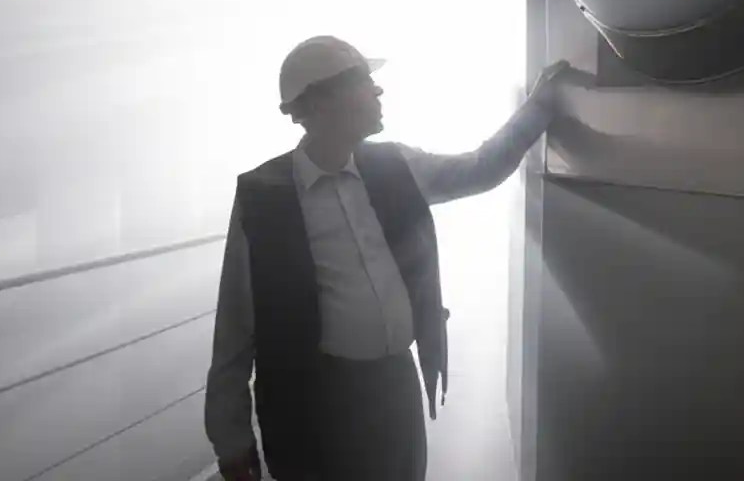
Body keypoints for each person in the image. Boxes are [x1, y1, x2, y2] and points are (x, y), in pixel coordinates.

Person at [205, 35, 570, 481]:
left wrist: (539, 107)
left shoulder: (396, 166)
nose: (378, 92)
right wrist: (231, 440)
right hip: (315, 406)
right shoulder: (264, 196)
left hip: (395, 387)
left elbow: (482, 168)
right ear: (322, 103)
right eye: (363, 82)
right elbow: (236, 328)